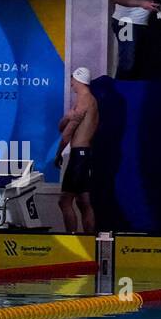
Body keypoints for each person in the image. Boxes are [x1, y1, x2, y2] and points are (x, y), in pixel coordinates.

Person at [56, 66, 98, 235]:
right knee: (83, 201)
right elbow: (62, 126)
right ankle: (90, 240)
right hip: (84, 154)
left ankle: (72, 238)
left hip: (79, 156)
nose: (71, 84)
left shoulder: (83, 101)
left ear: (78, 79)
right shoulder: (89, 100)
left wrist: (58, 153)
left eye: (72, 80)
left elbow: (67, 133)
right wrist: (67, 117)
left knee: (64, 201)